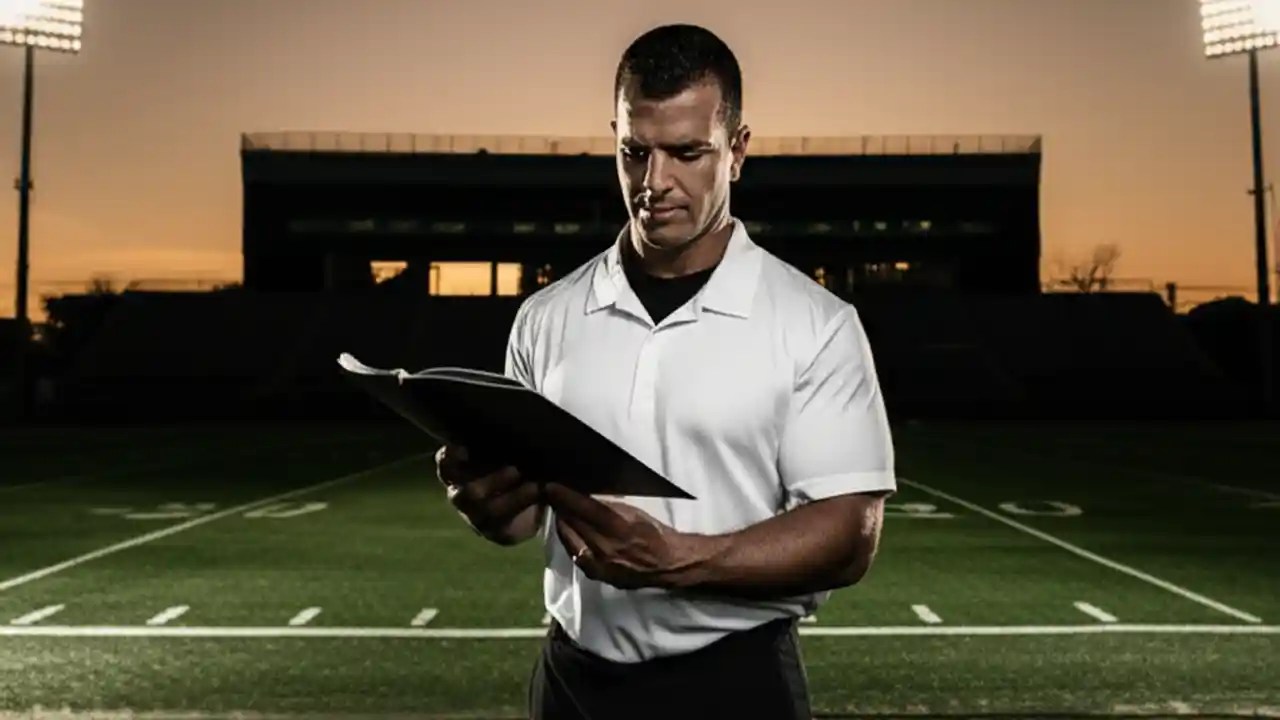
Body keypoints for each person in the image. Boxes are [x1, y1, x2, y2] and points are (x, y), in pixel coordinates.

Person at [434, 22, 895, 720]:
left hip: (734, 685)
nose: (655, 183)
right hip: (571, 681)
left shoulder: (817, 324)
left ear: (737, 151)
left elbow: (849, 535)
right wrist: (489, 503)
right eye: (633, 152)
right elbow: (524, 519)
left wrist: (680, 559)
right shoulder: (545, 316)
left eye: (686, 153)